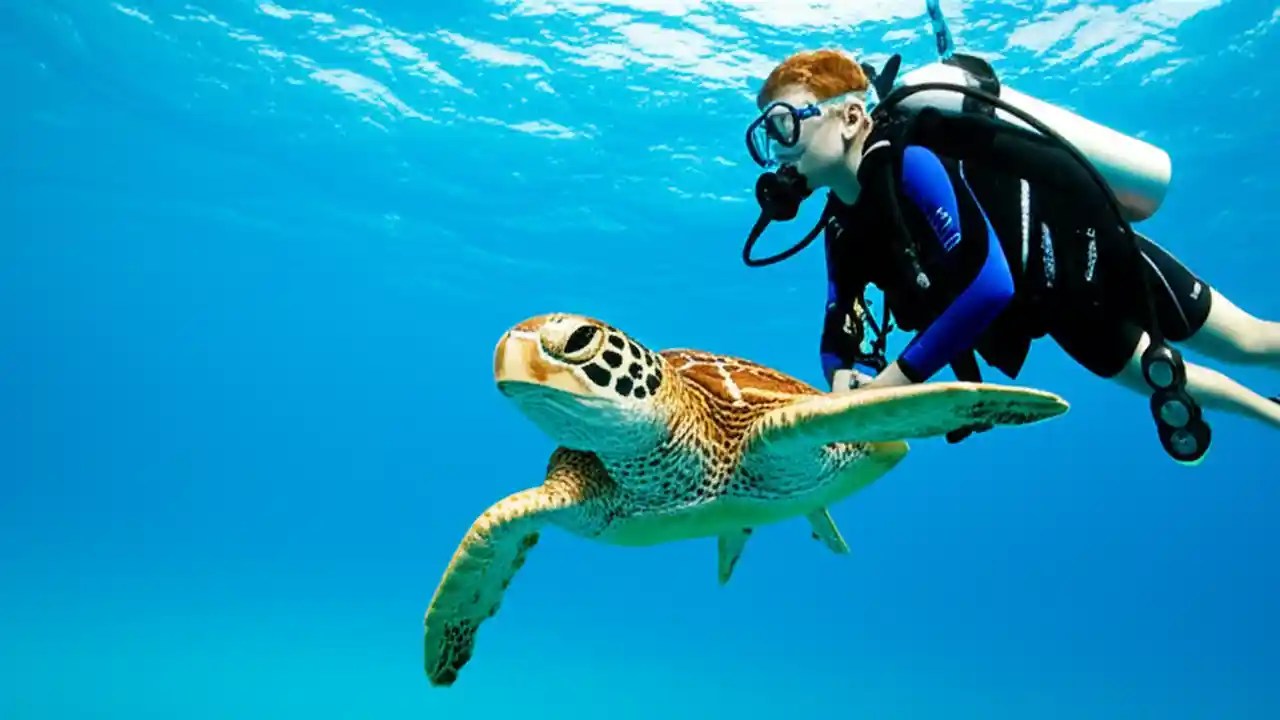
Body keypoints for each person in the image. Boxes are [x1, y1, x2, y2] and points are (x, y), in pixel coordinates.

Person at [739, 48, 1280, 461]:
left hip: (1084, 244)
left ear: (852, 118)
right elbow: (840, 320)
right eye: (766, 133)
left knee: (1247, 341)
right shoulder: (842, 223)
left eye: (786, 122)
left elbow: (989, 284)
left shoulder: (911, 163)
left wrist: (891, 386)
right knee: (1158, 379)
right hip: (1054, 305)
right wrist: (841, 385)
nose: (777, 148)